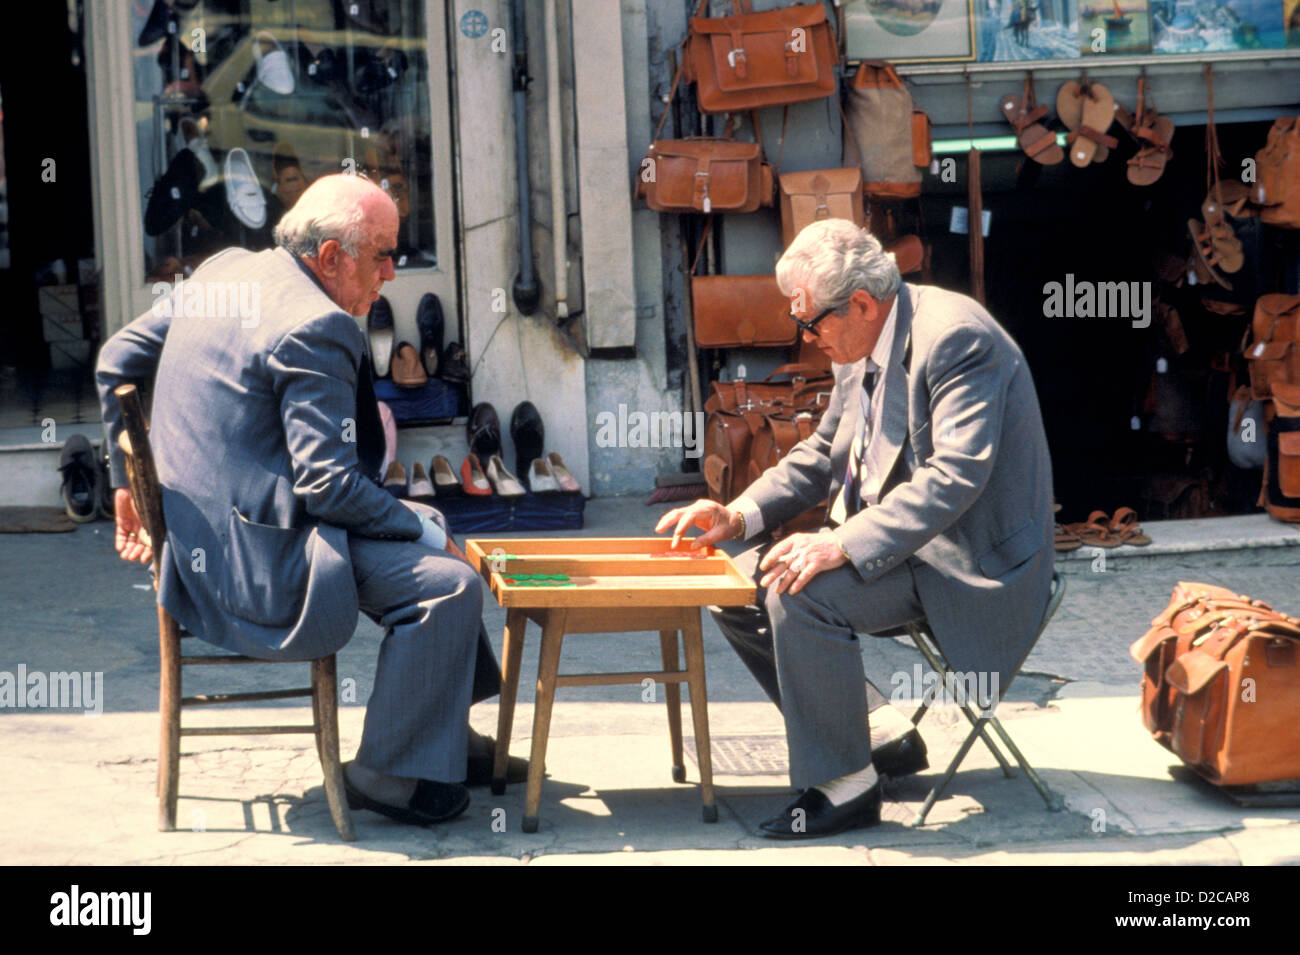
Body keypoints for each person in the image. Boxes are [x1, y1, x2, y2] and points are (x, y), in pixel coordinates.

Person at [96, 174, 516, 829]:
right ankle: (387, 770)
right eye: (380, 254)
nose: (391, 272)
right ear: (328, 259)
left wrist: (125, 482)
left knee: (429, 527)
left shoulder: (223, 269)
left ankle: (442, 738)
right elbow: (328, 486)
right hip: (259, 568)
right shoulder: (317, 326)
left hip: (198, 549)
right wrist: (429, 535)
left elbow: (115, 359)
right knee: (448, 582)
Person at [657, 219, 1054, 839]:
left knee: (799, 592)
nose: (809, 339)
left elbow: (955, 476)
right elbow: (822, 454)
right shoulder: (859, 342)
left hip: (969, 562)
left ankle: (845, 787)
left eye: (812, 323)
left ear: (863, 304)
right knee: (732, 584)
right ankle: (881, 735)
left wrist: (839, 542)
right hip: (906, 548)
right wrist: (736, 514)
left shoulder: (957, 339)